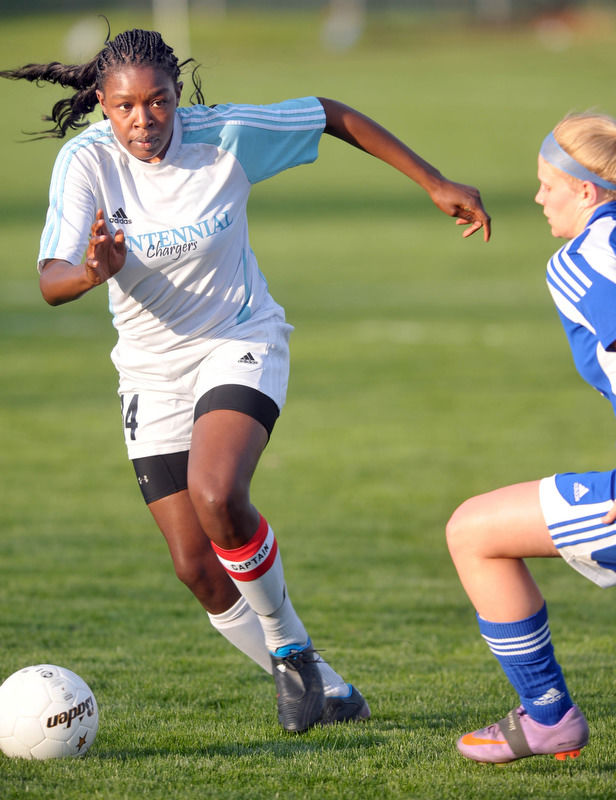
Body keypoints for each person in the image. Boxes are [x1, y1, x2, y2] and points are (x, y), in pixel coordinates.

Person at [1, 27, 490, 734]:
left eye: (159, 102)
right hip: (149, 369)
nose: (144, 121)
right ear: (102, 107)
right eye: (126, 107)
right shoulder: (86, 163)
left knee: (216, 491)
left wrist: (435, 181)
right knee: (194, 566)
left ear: (177, 97)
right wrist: (91, 273)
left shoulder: (225, 134)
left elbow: (328, 111)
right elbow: (50, 282)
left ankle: (290, 646)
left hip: (240, 338)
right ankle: (329, 689)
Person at [446, 111, 616, 763]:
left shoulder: (583, 259)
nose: (540, 196)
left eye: (549, 184)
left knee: (473, 533)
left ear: (586, 190)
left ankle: (547, 718)